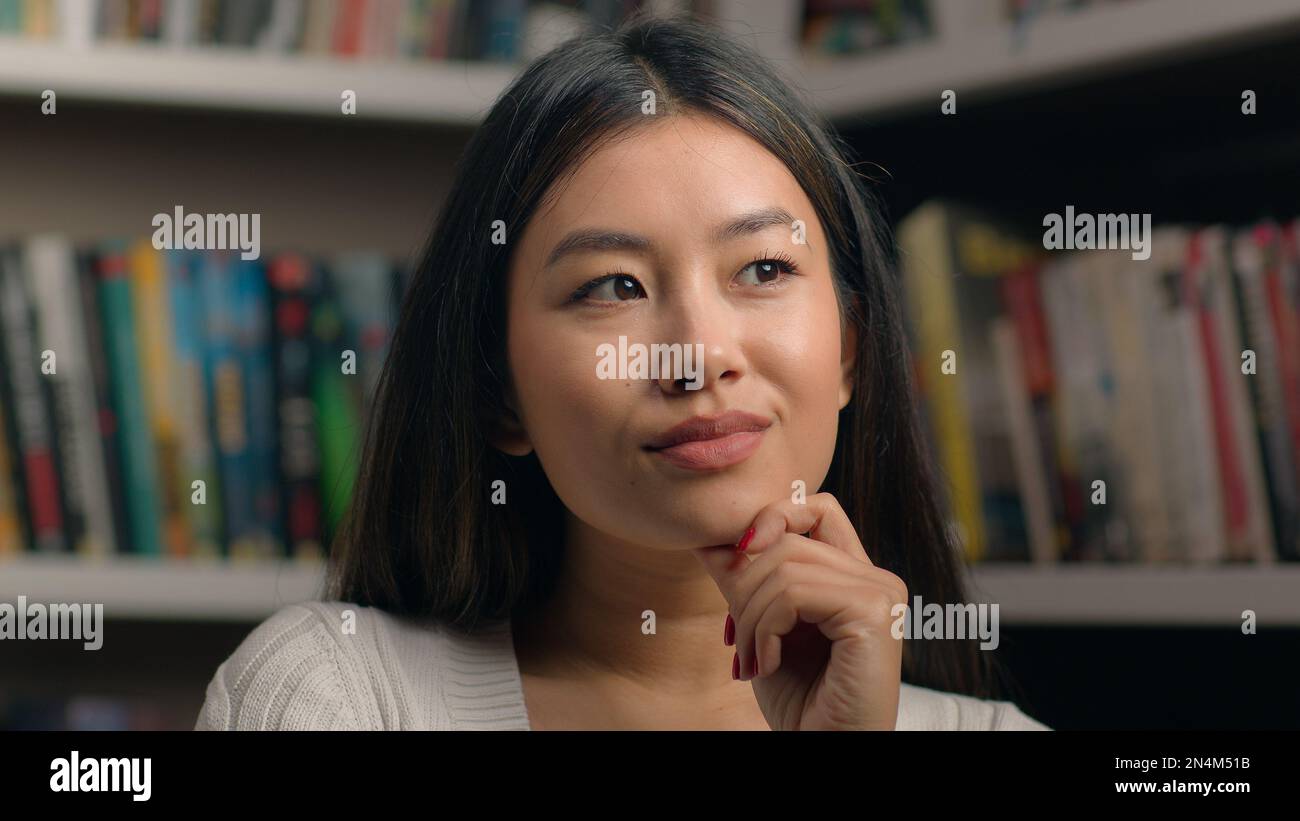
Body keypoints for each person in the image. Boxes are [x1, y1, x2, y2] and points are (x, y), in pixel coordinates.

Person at [196, 12, 1048, 731]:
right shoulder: (336, 696)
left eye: (762, 269)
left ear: (850, 352)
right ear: (500, 393)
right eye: (614, 286)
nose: (700, 354)